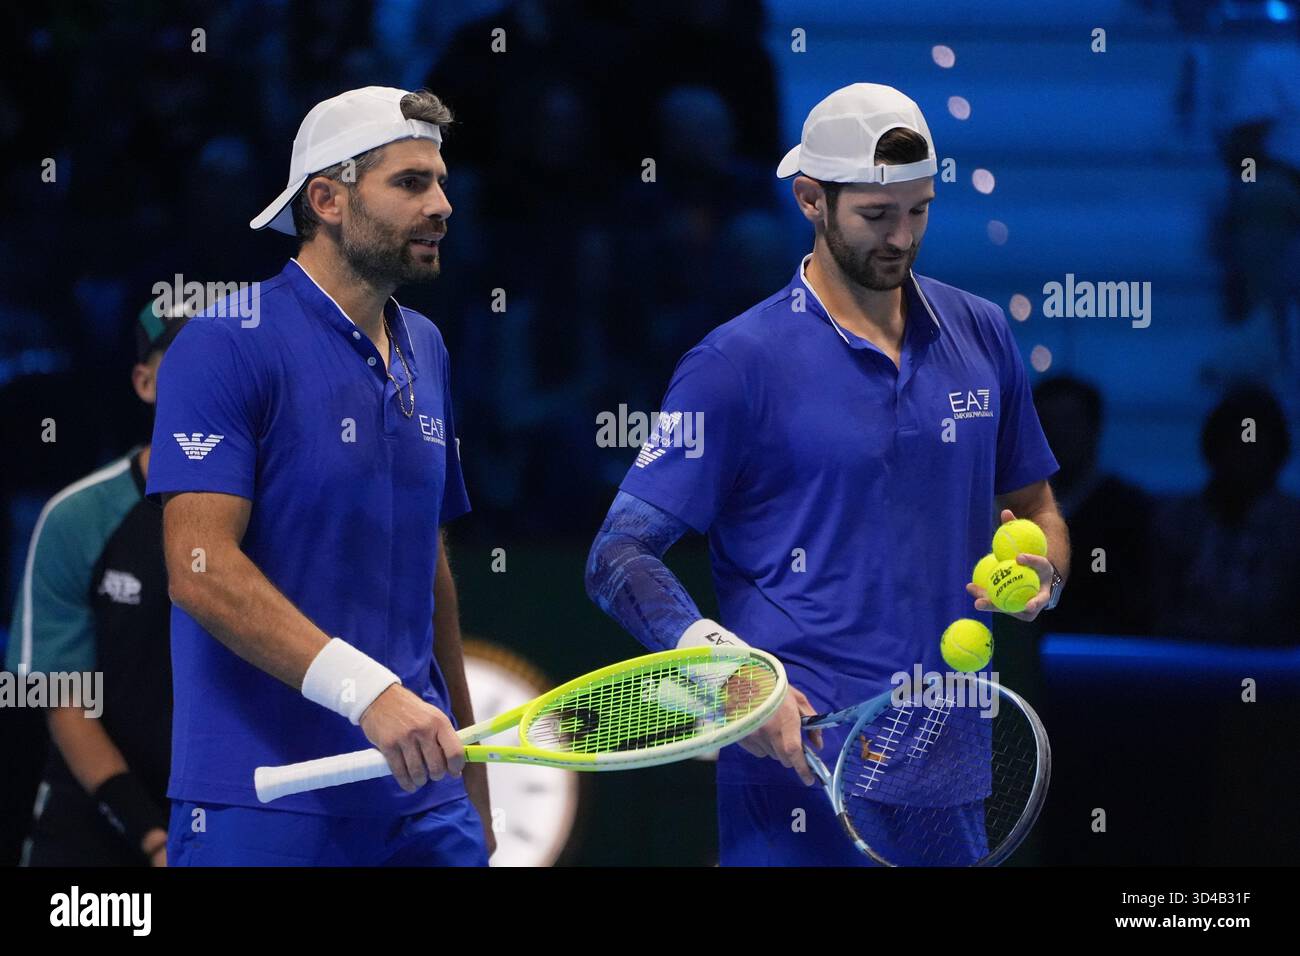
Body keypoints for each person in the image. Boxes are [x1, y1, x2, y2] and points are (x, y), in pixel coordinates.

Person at [585, 83, 1069, 866]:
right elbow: (617, 556)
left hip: (949, 779)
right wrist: (737, 677)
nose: (901, 238)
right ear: (810, 198)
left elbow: (1037, 504)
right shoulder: (733, 364)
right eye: (876, 216)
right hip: (793, 781)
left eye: (918, 212)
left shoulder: (981, 332)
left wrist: (1044, 568)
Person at [147, 87, 491, 866]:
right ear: (326, 199)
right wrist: (368, 695)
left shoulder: (428, 345)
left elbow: (426, 567)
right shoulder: (223, 342)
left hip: (425, 800)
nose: (441, 206)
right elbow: (198, 570)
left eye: (440, 182)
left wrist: (472, 773)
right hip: (267, 794)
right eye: (410, 184)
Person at [5, 302, 188, 865]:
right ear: (145, 382)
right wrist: (154, 838)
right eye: (185, 362)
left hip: (233, 823)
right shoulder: (77, 517)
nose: (209, 378)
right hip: (91, 830)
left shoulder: (283, 519)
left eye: (226, 361)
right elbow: (61, 697)